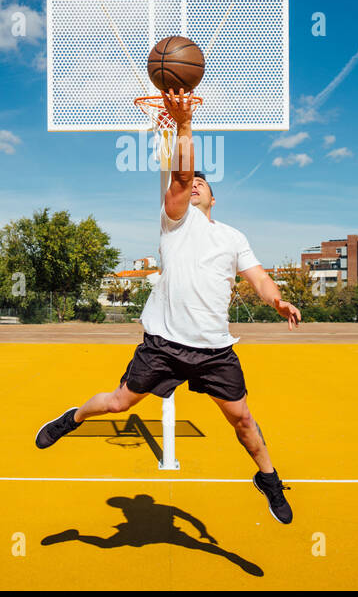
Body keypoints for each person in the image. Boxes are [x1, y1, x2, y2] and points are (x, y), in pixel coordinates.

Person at [35, 89, 302, 523]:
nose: (193, 185)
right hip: (163, 344)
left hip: (213, 349)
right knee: (120, 403)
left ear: (214, 199)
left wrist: (277, 301)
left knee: (243, 420)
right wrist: (183, 124)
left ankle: (268, 479)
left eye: (202, 184)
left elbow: (258, 278)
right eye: (190, 182)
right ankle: (74, 417)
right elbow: (178, 178)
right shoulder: (174, 220)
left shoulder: (233, 237)